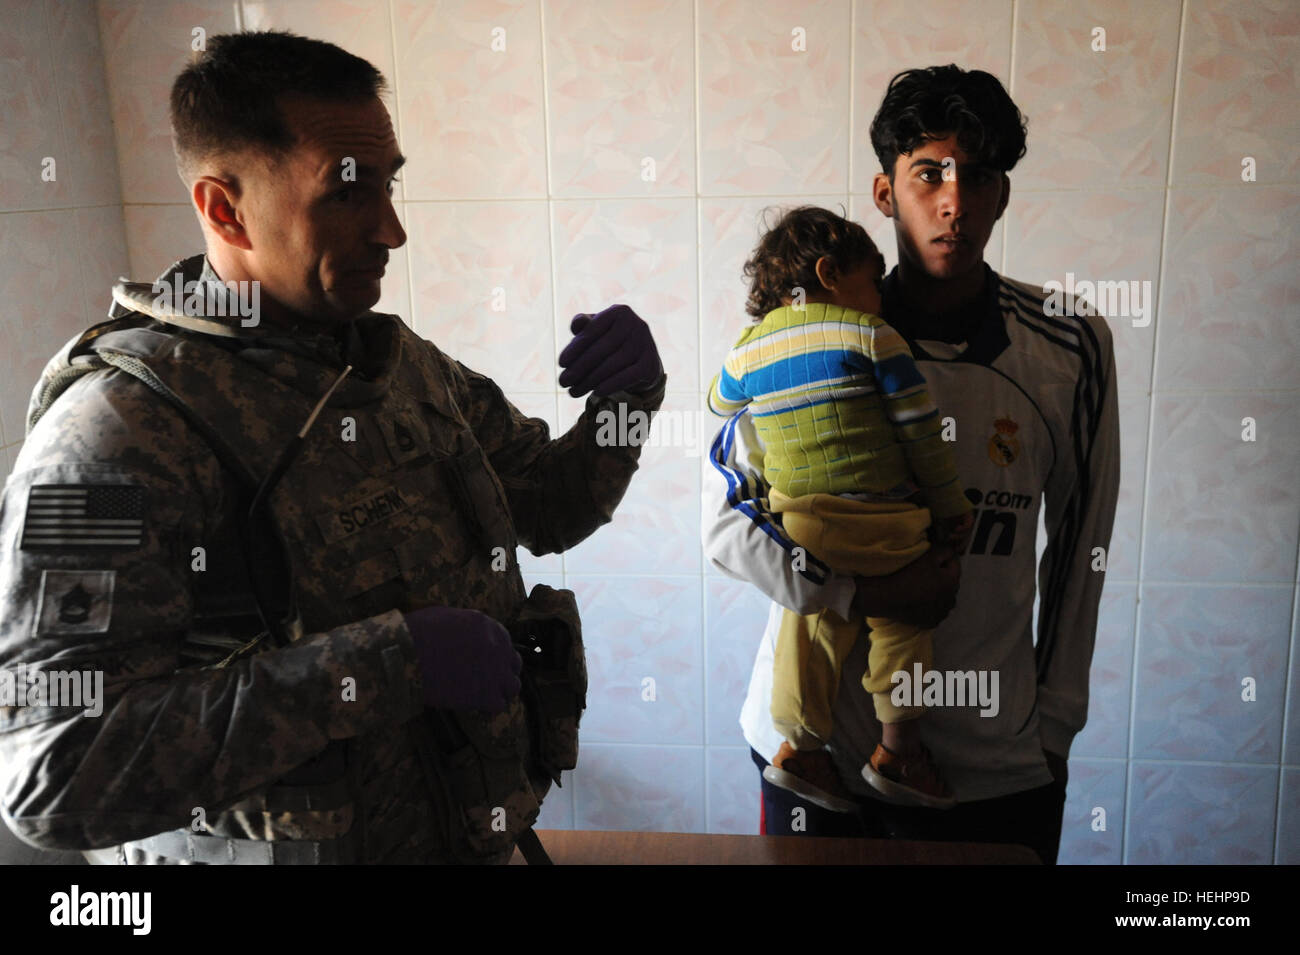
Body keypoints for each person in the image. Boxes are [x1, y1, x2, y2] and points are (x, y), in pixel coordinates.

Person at [0, 30, 665, 865]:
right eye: (347, 194)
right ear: (224, 207)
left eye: (390, 187)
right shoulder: (111, 438)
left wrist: (628, 405)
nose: (390, 231)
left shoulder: (392, 363)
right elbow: (54, 772)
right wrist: (388, 662)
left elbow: (552, 505)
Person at [703, 64, 1119, 864]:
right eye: (928, 172)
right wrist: (868, 592)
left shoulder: (1069, 342)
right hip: (811, 750)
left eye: (980, 175)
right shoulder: (802, 337)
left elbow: (1082, 546)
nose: (954, 201)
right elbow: (727, 527)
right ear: (886, 192)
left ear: (1002, 193)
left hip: (991, 761)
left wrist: (1056, 725)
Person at [707, 206, 974, 811]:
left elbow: (719, 402)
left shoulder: (747, 350)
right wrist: (949, 503)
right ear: (830, 273)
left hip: (803, 527)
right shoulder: (872, 336)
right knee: (907, 623)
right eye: (872, 280)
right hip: (886, 523)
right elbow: (920, 433)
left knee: (809, 630)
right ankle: (899, 751)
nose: (878, 296)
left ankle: (801, 751)